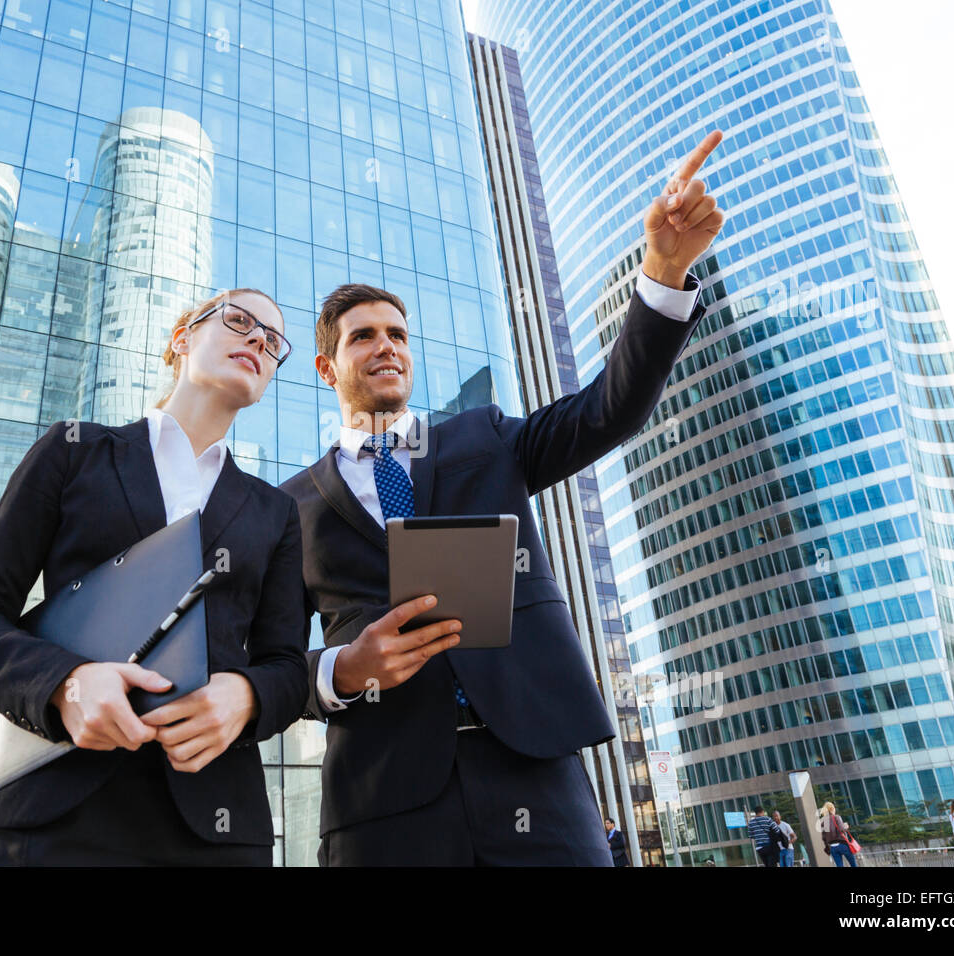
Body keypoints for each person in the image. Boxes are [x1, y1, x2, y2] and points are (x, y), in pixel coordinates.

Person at [280, 131, 725, 865]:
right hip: (383, 799)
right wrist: (343, 670)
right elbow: (266, 663)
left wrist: (665, 272)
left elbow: (606, 411)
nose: (387, 346)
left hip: (534, 771)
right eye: (364, 338)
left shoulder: (485, 436)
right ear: (328, 367)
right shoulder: (289, 506)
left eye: (398, 334)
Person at [0, 288, 310, 865]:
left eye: (274, 340)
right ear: (182, 338)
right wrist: (64, 684)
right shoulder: (72, 451)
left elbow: (286, 664)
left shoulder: (275, 511)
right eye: (239, 321)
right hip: (52, 817)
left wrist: (246, 697)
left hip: (214, 826)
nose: (260, 339)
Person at [820, 801, 856, 867]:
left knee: (839, 865)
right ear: (832, 809)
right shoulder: (836, 817)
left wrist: (828, 849)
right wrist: (845, 827)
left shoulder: (823, 822)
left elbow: (824, 838)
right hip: (842, 845)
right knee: (853, 864)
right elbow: (842, 829)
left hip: (833, 847)